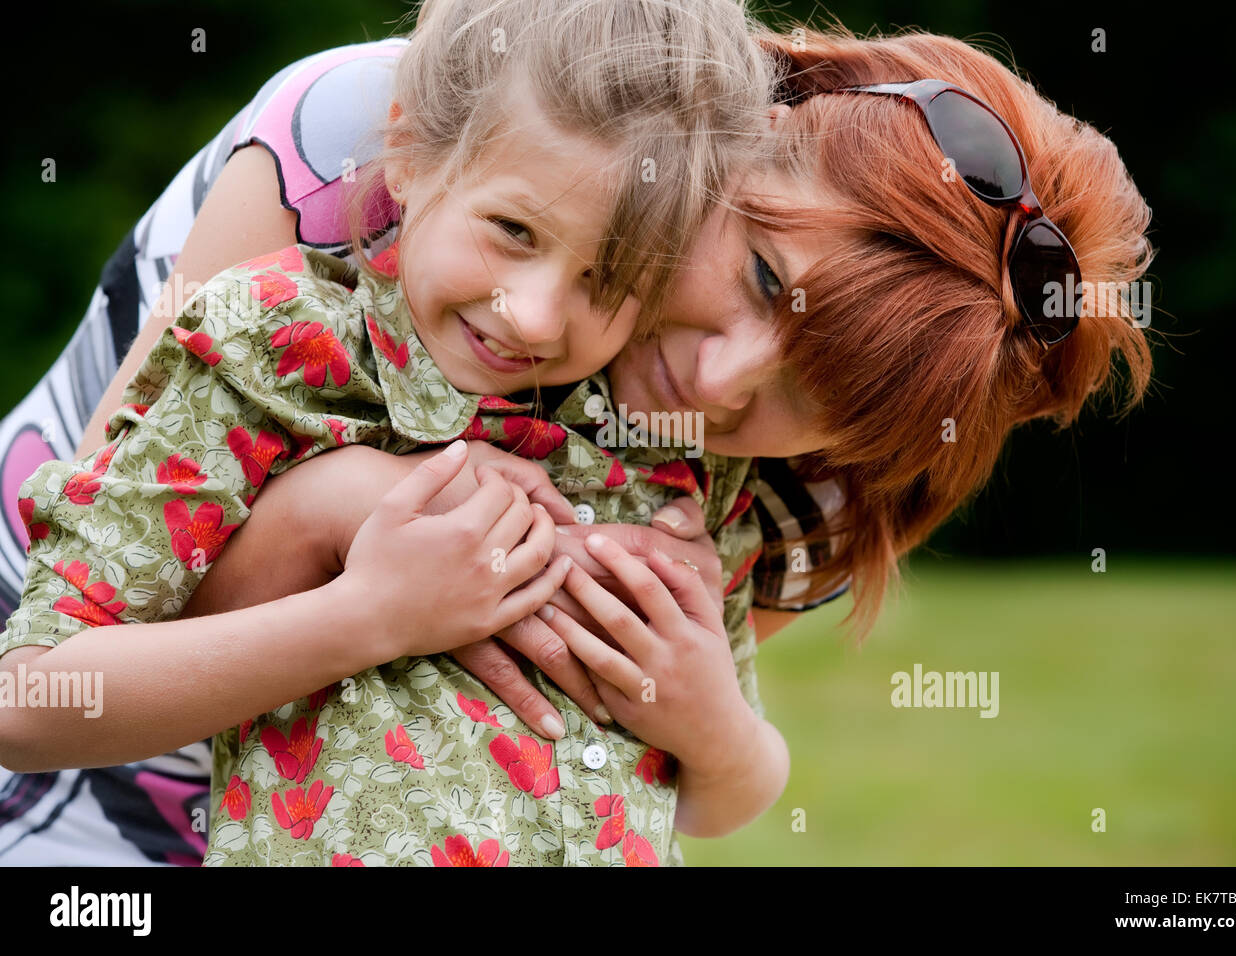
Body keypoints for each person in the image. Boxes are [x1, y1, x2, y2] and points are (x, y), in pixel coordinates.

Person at [0, 18, 1154, 865]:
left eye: (816, 392)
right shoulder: (426, 130)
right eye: (761, 275)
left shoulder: (791, 477)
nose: (715, 380)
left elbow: (653, 749)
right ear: (749, 138)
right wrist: (332, 509)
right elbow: (78, 646)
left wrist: (709, 718)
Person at [0, 0, 788, 866]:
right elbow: (28, 702)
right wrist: (368, 615)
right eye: (513, 231)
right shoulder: (277, 353)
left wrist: (712, 722)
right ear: (409, 155)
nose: (531, 316)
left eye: (608, 278)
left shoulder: (667, 456)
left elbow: (711, 797)